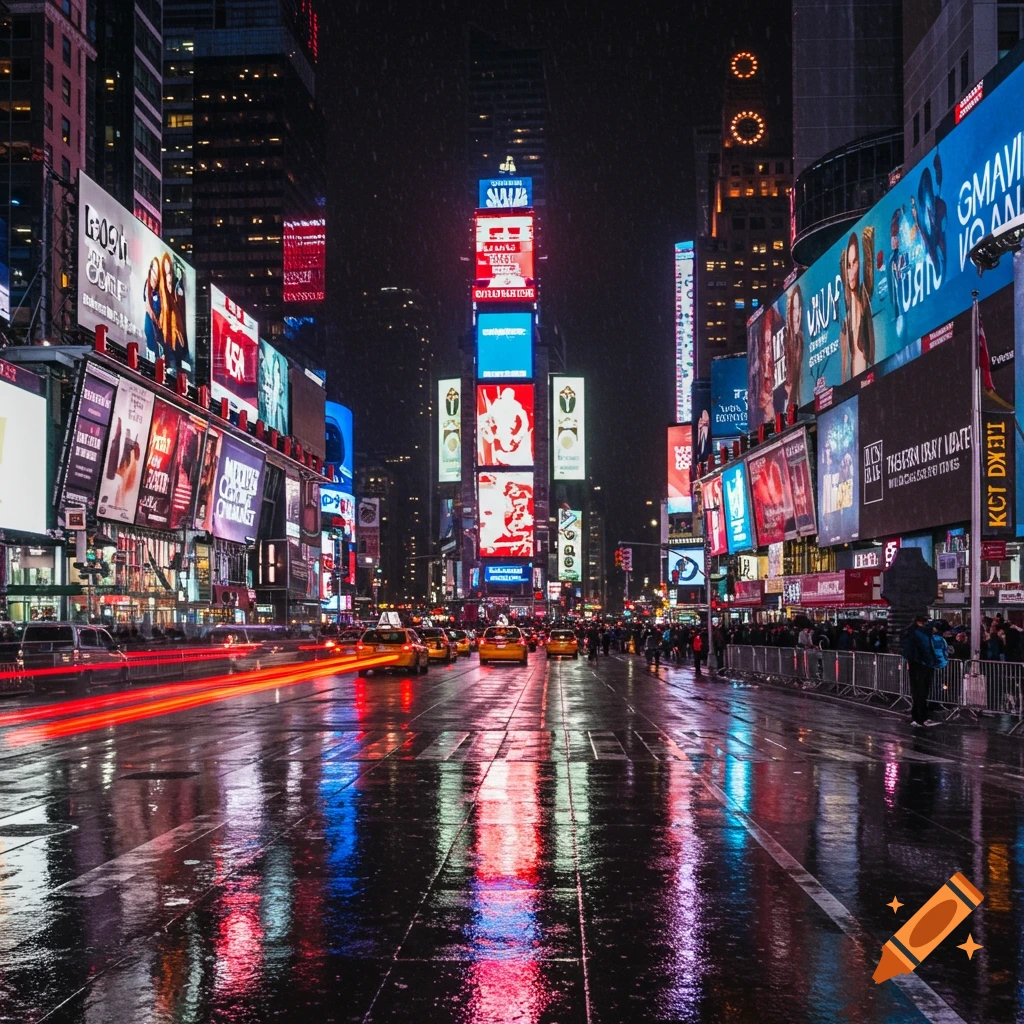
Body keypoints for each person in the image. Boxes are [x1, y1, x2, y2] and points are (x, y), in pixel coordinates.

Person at [902, 614, 939, 727]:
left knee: (918, 692)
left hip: (916, 665)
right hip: (921, 665)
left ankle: (917, 717)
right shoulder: (918, 634)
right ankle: (921, 718)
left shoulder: (910, 633)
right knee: (921, 692)